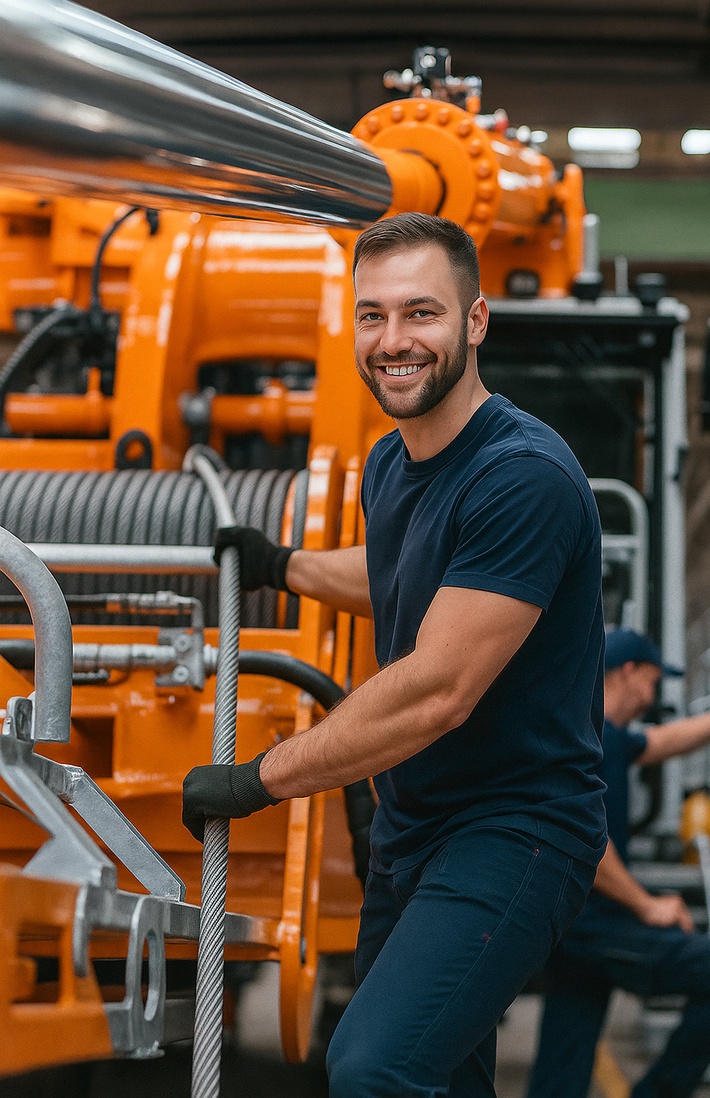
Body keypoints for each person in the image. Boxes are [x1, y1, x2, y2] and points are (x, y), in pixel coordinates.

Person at [182, 211, 607, 1098]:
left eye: (422, 313)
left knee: (377, 1067)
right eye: (372, 316)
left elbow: (437, 689)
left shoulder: (521, 475)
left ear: (476, 320)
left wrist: (261, 777)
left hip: (514, 831)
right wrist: (284, 565)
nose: (394, 340)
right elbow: (402, 576)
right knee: (443, 1080)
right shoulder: (391, 462)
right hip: (412, 831)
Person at [526, 625, 710, 1098]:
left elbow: (665, 741)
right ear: (630, 671)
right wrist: (647, 905)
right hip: (596, 924)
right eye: (655, 682)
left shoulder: (605, 735)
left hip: (576, 926)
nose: (654, 695)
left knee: (563, 1065)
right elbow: (586, 843)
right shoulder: (583, 732)